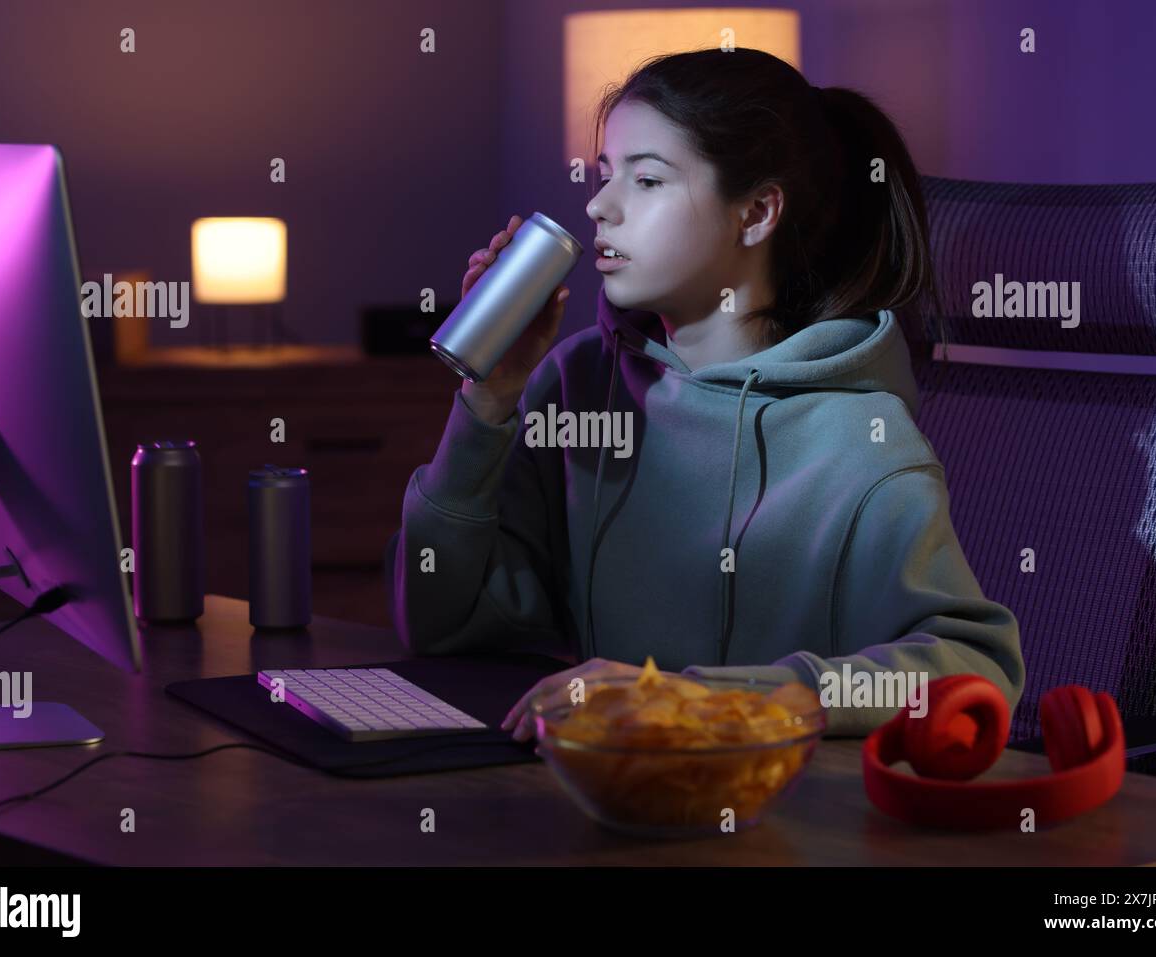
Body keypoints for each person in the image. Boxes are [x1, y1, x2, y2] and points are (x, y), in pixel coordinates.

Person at [384, 48, 1024, 743]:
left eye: (648, 179)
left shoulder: (860, 438)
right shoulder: (579, 386)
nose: (600, 205)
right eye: (605, 176)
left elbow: (970, 669)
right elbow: (440, 626)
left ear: (755, 213)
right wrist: (488, 403)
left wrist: (701, 700)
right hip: (602, 802)